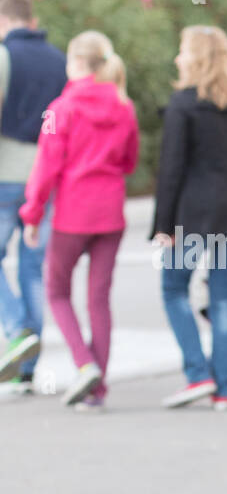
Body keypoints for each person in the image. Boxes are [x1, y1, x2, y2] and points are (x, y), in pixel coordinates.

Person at [19, 31, 138, 409]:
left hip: (72, 214)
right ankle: (97, 390)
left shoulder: (59, 110)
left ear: (74, 63)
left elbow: (46, 167)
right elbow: (130, 161)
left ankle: (84, 364)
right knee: (98, 299)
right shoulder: (124, 106)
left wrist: (32, 214)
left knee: (56, 291)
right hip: (110, 213)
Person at [151, 26, 227, 410]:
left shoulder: (183, 105)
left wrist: (163, 226)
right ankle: (223, 389)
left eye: (183, 51)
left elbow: (171, 170)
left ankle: (197, 374)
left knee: (173, 290)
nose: (177, 58)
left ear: (197, 58)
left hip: (191, 216)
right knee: (223, 299)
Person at [0, 0, 66, 392]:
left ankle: (15, 329)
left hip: (6, 173)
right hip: (45, 176)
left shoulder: (4, 55)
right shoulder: (61, 61)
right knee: (31, 269)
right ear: (33, 19)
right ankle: (28, 369)